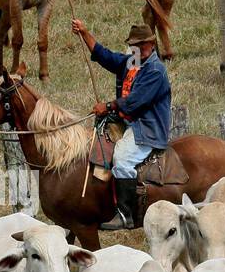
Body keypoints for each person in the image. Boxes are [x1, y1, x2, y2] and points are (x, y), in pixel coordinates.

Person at [71, 19, 172, 230]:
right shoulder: (134, 62)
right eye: (135, 45)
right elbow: (106, 56)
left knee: (122, 159)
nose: (139, 49)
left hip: (146, 128)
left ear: (152, 44)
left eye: (143, 44)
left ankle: (126, 214)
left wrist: (107, 106)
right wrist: (84, 32)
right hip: (125, 122)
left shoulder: (155, 70)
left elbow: (136, 101)